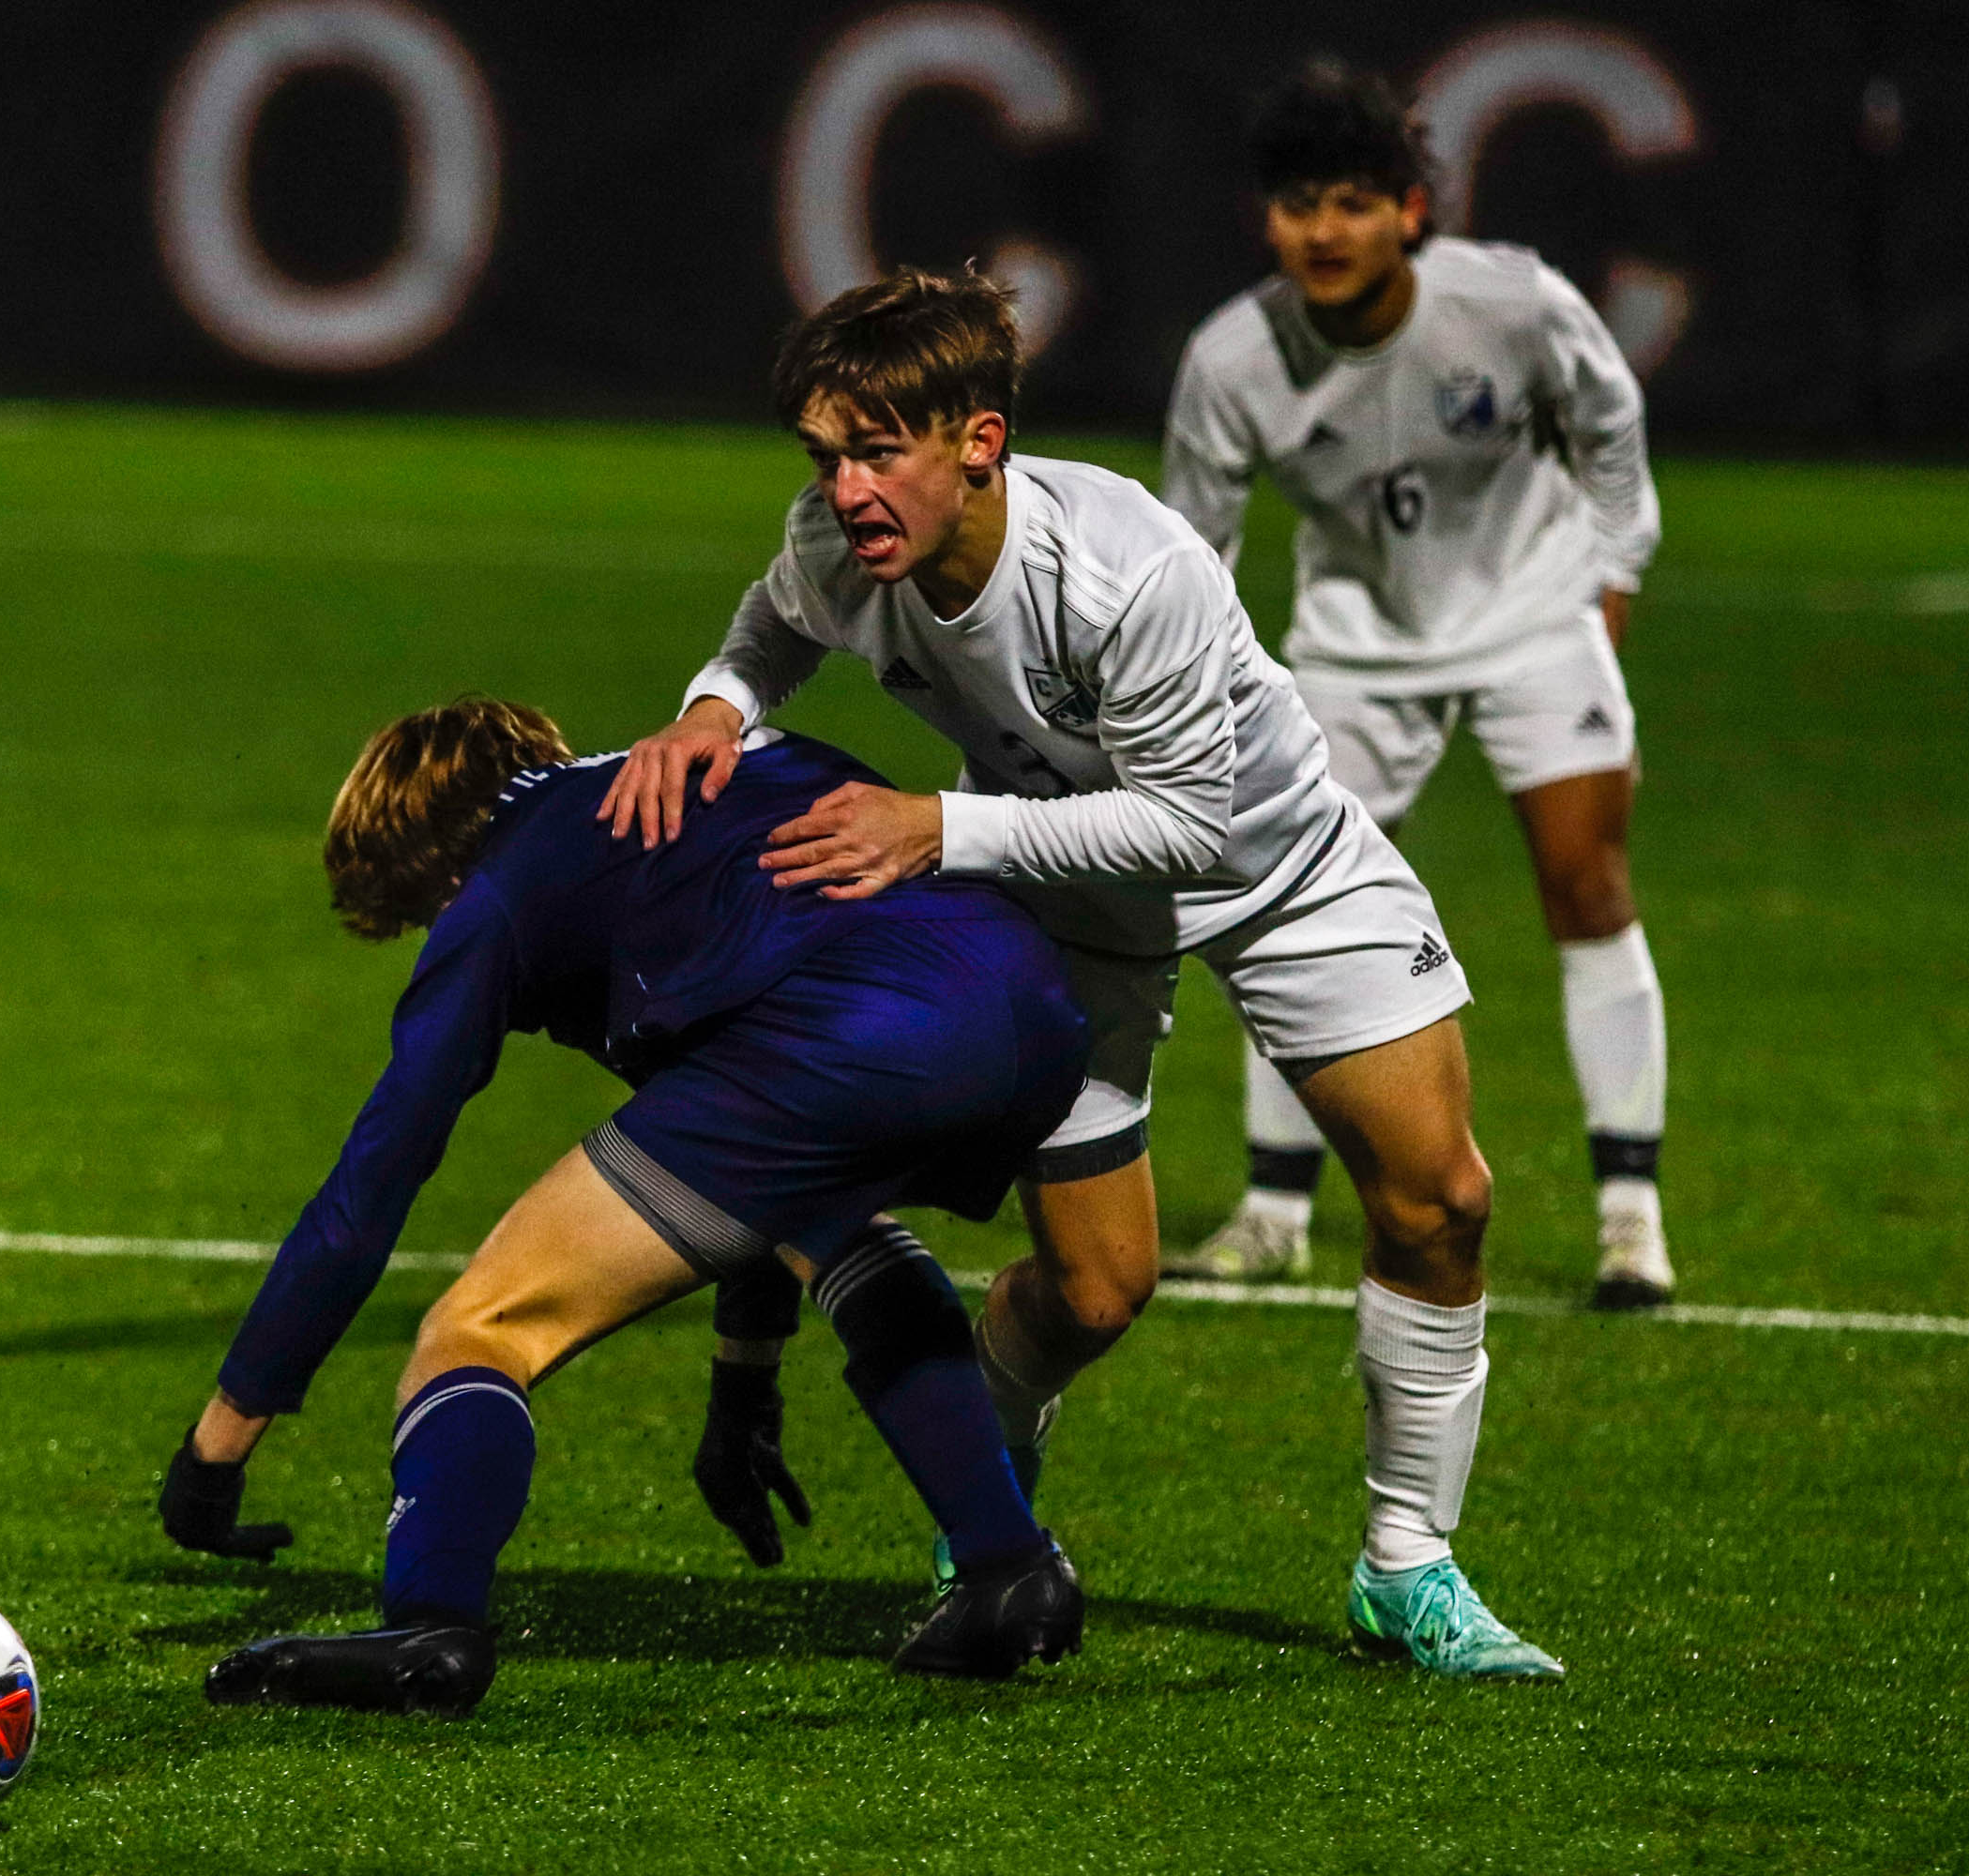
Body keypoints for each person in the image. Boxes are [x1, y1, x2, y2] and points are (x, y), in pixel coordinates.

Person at [601, 268, 1562, 1677]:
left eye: (878, 452)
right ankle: (989, 1518)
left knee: (1442, 1199)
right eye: (825, 456)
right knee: (1098, 1293)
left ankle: (1407, 1565)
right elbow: (774, 623)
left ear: (977, 444)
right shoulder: (834, 542)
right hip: (1067, 895)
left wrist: (937, 829)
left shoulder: (1127, 572)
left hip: (1279, 865)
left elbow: (1192, 824)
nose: (846, 489)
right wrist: (714, 708)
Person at [160, 698, 1092, 1715]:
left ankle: (428, 1620)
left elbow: (370, 1186)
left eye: (422, 915)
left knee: (478, 1327)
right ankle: (1008, 1565)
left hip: (863, 1028)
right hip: (1033, 1008)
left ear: (437, 867)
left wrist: (220, 1444)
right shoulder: (676, 796)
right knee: (831, 1222)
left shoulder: (498, 892)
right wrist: (744, 1385)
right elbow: (771, 1176)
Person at [1160, 60, 1673, 1310]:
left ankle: (1629, 1220)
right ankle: (1275, 1210)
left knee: (1586, 878)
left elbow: (1611, 431)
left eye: (1350, 201)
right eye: (1295, 204)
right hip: (1353, 647)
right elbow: (1190, 557)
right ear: (1266, 219)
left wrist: (1609, 585)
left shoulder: (1511, 303)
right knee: (1287, 904)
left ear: (1410, 211)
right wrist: (1210, 699)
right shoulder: (1233, 361)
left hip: (1536, 617)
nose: (1321, 231)